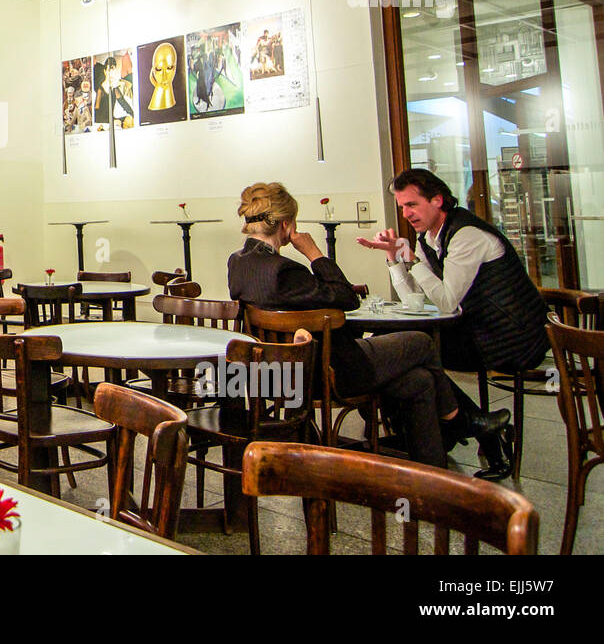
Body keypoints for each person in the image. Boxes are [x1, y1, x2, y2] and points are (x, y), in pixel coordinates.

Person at [227, 182, 508, 472]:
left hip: (278, 373)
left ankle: (432, 470)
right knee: (422, 342)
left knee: (420, 380)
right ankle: (458, 421)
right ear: (287, 225)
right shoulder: (285, 271)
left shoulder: (238, 263)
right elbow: (347, 298)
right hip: (328, 372)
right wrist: (314, 253)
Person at [358, 168, 548, 477]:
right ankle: (466, 426)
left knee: (407, 352)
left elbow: (445, 301)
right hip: (476, 330)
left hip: (511, 338)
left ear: (437, 200)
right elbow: (417, 300)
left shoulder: (467, 235)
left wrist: (411, 259)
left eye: (412, 205)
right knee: (401, 351)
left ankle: (460, 426)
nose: (406, 214)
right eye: (402, 206)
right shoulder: (428, 238)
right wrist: (394, 258)